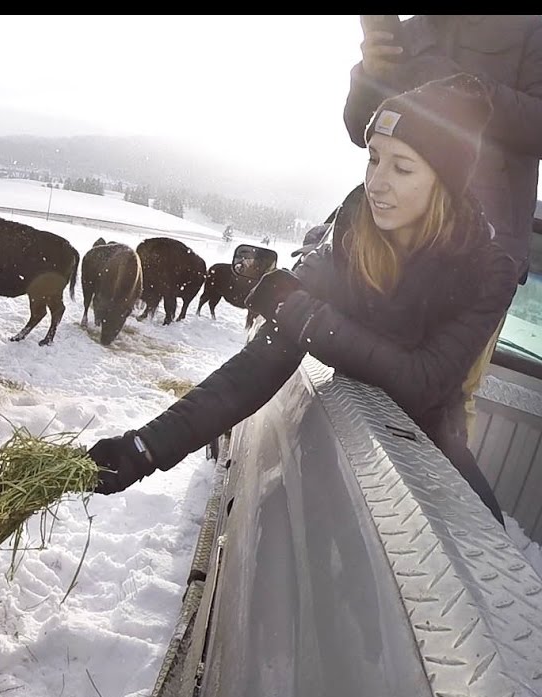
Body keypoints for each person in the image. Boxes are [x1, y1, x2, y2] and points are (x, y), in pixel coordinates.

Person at [89, 74, 518, 526]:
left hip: (429, 461)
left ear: (444, 182)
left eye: (403, 167)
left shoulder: (486, 271)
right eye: (374, 159)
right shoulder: (352, 236)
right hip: (351, 457)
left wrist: (303, 314)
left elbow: (422, 381)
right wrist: (144, 448)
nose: (377, 183)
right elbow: (255, 368)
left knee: (488, 541)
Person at [344, 15, 542, 433]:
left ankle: (433, 497)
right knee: (362, 375)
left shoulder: (531, 27)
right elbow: (359, 128)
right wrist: (368, 75)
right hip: (395, 241)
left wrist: (471, 89)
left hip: (484, 252)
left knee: (448, 399)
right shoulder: (414, 30)